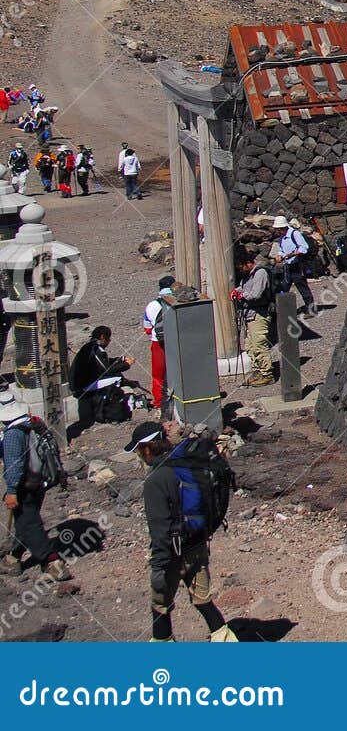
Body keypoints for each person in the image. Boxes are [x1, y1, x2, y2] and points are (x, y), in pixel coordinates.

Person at [127, 422, 236, 642]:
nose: (139, 455)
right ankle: (225, 640)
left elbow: (160, 530)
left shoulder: (155, 480)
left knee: (160, 605)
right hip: (197, 543)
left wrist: (159, 564)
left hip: (172, 553)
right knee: (203, 599)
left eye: (139, 450)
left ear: (147, 448)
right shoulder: (185, 463)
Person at [1, 390, 73, 584]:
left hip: (25, 485)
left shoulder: (12, 435)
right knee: (25, 521)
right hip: (40, 480)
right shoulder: (33, 424)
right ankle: (13, 558)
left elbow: (14, 465)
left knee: (29, 523)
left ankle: (53, 562)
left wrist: (12, 491)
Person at [69, 326, 136, 426]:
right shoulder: (96, 350)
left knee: (115, 377)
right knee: (118, 379)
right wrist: (127, 365)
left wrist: (120, 359)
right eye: (108, 339)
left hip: (83, 381)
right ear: (102, 337)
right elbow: (107, 370)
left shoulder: (90, 346)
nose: (109, 341)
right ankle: (110, 404)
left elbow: (103, 363)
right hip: (82, 387)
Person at [232, 254, 275, 387]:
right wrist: (236, 291)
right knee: (250, 346)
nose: (240, 270)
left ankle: (267, 374)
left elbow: (256, 294)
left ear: (249, 263)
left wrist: (241, 295)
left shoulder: (260, 273)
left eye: (241, 267)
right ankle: (258, 371)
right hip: (249, 314)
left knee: (259, 344)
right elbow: (243, 287)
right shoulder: (247, 275)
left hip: (259, 314)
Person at [142, 275, 175, 412]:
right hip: (175, 341)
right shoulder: (176, 301)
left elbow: (147, 328)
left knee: (158, 374)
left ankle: (159, 402)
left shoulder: (151, 305)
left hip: (158, 343)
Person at [271, 216, 315, 313]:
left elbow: (304, 247)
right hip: (288, 266)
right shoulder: (282, 238)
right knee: (283, 287)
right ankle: (282, 310)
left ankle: (311, 309)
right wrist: (279, 255)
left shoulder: (295, 234)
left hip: (297, 265)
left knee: (302, 287)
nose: (277, 231)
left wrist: (294, 253)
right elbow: (282, 250)